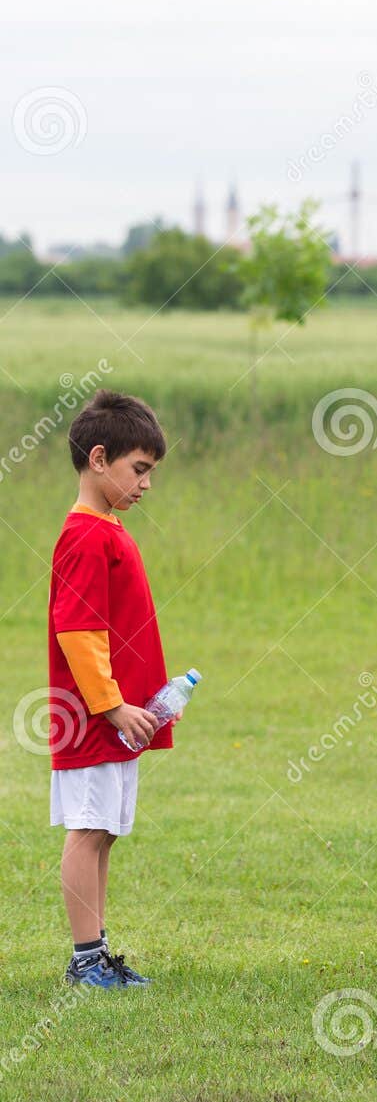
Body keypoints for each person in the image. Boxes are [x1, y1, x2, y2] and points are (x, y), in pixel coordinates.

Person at [49, 391, 171, 988]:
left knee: (106, 832)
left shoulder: (109, 528)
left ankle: (95, 954)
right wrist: (112, 704)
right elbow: (76, 630)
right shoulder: (85, 535)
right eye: (138, 470)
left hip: (117, 716)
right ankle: (85, 961)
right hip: (95, 717)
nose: (146, 484)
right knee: (89, 828)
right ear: (99, 459)